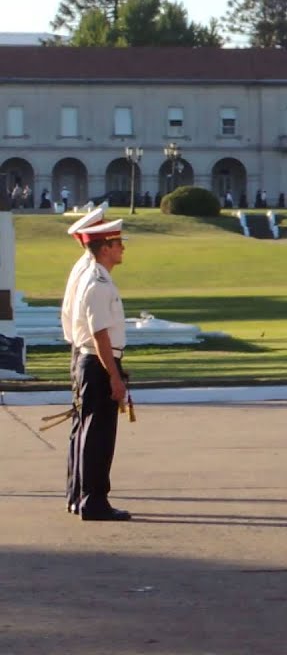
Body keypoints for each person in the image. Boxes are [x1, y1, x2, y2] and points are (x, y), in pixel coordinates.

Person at [69, 219, 131, 521]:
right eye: (118, 243)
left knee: (95, 433)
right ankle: (93, 500)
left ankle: (88, 497)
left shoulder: (100, 279)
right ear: (105, 248)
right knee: (98, 435)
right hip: (98, 363)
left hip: (98, 361)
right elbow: (100, 335)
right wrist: (114, 377)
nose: (122, 248)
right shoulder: (98, 284)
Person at [59, 207, 105, 515]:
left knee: (81, 426)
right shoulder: (91, 270)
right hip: (88, 351)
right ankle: (86, 496)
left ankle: (75, 494)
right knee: (92, 429)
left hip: (78, 348)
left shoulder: (82, 267)